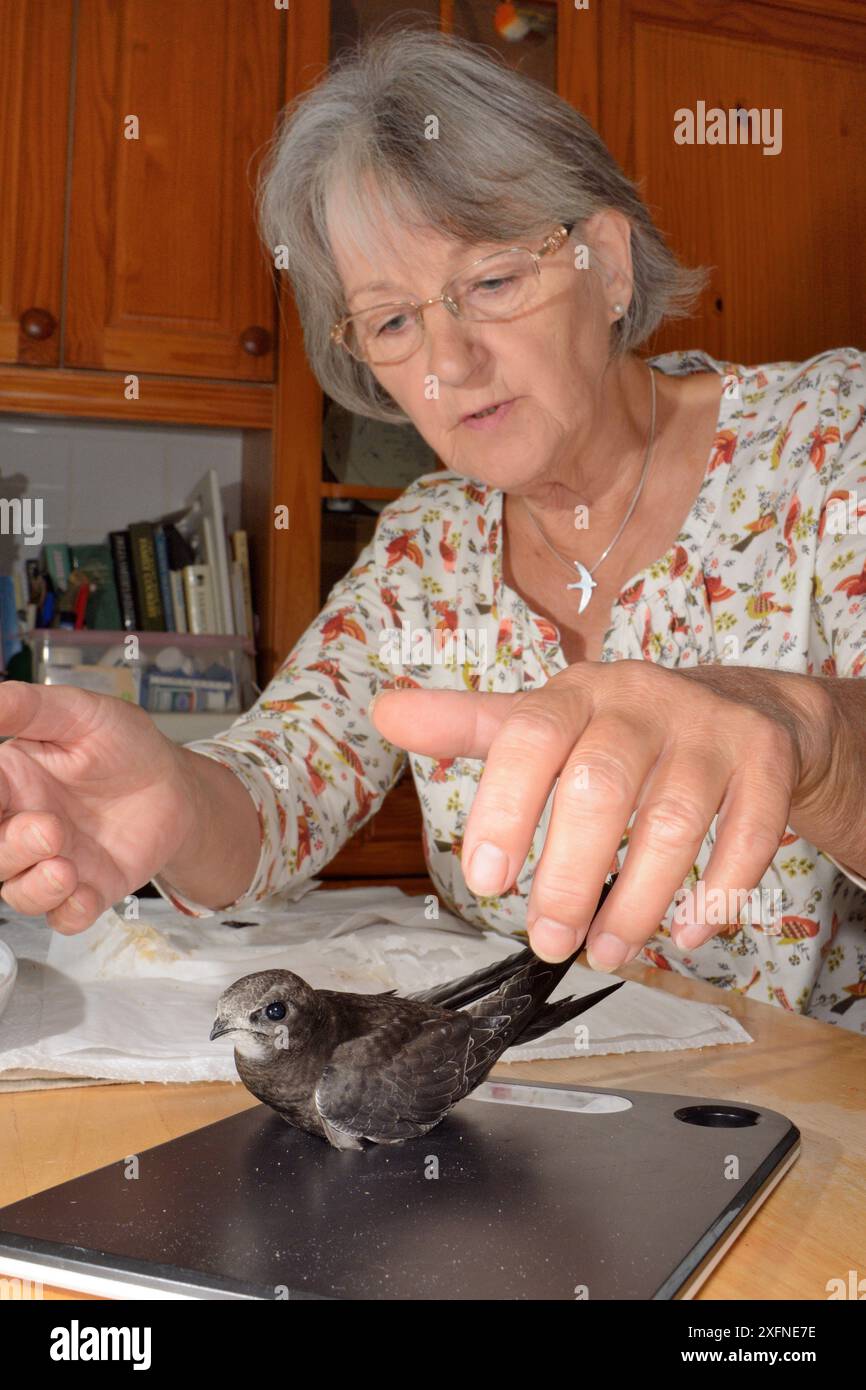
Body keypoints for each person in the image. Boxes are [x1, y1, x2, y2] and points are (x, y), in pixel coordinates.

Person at [1, 28, 864, 1032]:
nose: (446, 363)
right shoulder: (426, 547)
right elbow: (279, 786)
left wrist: (814, 739)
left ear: (609, 264)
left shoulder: (827, 441)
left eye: (492, 283)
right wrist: (172, 798)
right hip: (546, 1126)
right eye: (393, 321)